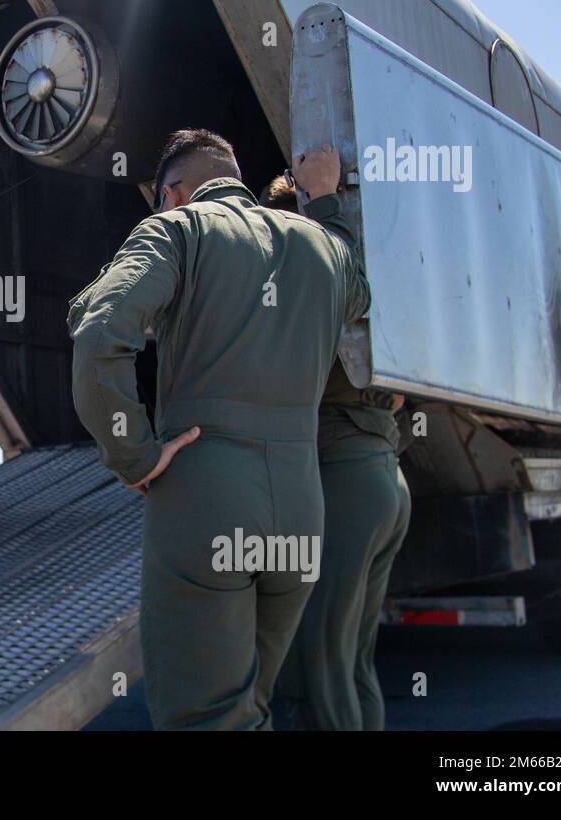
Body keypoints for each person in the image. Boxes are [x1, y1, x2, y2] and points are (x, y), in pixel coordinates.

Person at [67, 129, 369, 729]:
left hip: (207, 498)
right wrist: (326, 206)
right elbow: (358, 295)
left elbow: (99, 333)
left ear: (171, 193)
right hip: (301, 508)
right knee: (250, 707)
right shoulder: (323, 247)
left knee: (206, 718)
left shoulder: (176, 230)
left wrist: (135, 456)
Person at [259, 175, 411, 730]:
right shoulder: (368, 296)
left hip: (345, 480)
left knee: (318, 666)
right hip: (384, 479)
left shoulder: (305, 291)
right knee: (352, 663)